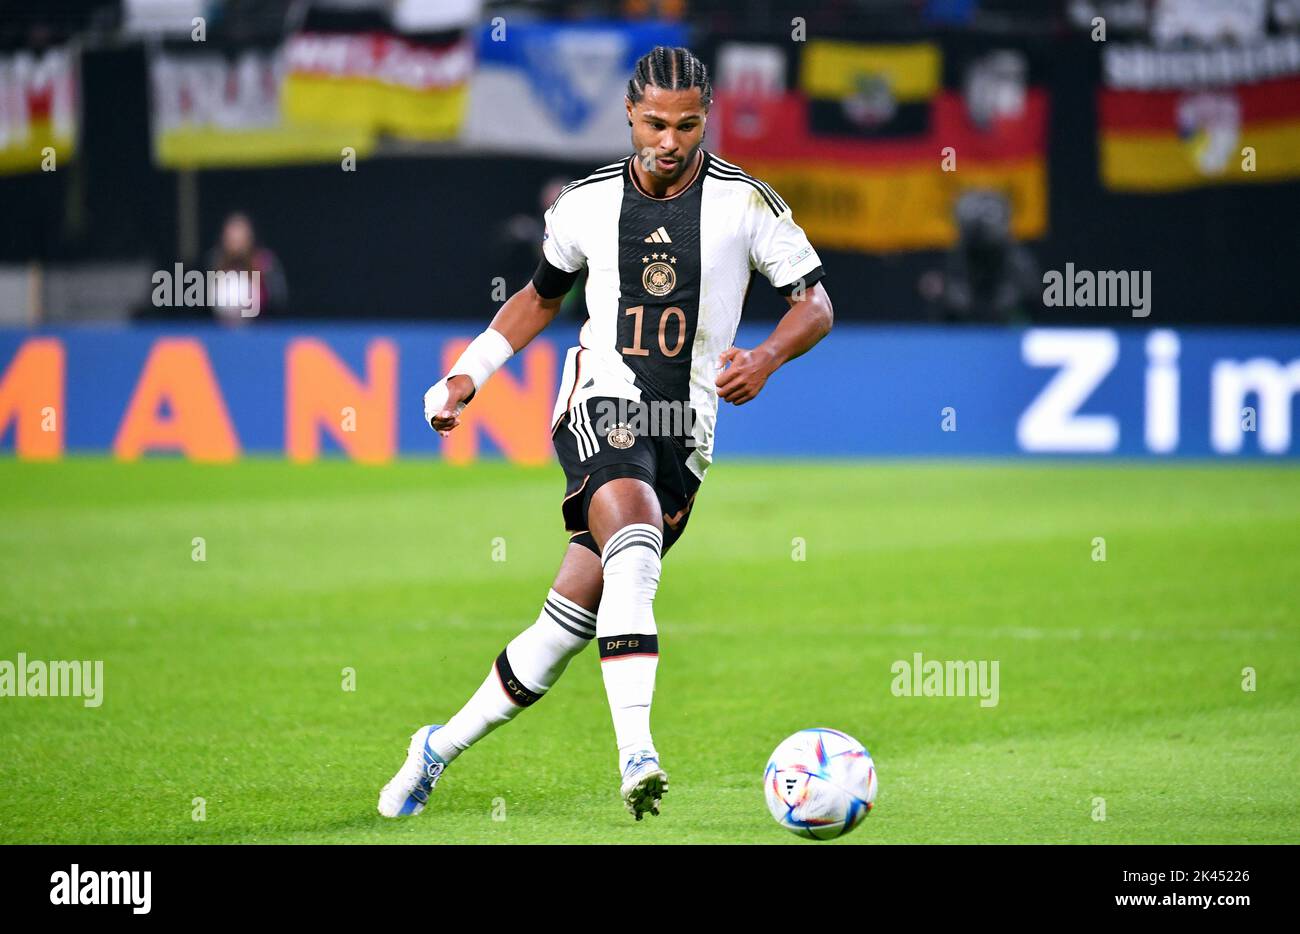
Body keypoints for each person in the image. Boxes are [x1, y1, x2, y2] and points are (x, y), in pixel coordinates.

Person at [378, 46, 834, 821]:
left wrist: (765, 357)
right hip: (603, 399)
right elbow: (538, 297)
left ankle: (437, 747)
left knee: (565, 628)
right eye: (655, 123)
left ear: (704, 121)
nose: (669, 140)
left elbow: (815, 305)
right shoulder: (586, 202)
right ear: (629, 114)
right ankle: (637, 751)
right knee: (635, 534)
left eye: (686, 125)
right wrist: (467, 374)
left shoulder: (747, 203)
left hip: (685, 431)